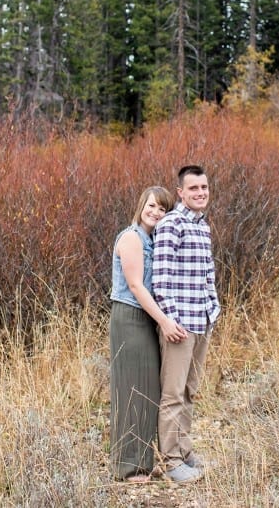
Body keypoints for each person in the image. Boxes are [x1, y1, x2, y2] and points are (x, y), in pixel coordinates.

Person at [109, 185, 188, 483]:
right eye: (151, 206)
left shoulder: (151, 240)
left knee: (148, 390)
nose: (155, 212)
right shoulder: (131, 238)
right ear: (141, 205)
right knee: (131, 388)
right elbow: (136, 287)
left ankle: (143, 460)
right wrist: (166, 323)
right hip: (129, 317)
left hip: (146, 319)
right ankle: (128, 468)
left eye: (162, 208)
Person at [152, 165, 221, 483]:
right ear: (181, 192)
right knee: (173, 394)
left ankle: (185, 449)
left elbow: (207, 275)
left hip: (202, 319)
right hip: (180, 325)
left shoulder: (202, 226)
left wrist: (214, 311)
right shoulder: (171, 224)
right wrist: (168, 321)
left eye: (204, 187)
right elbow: (161, 280)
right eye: (193, 188)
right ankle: (170, 461)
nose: (200, 193)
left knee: (191, 391)